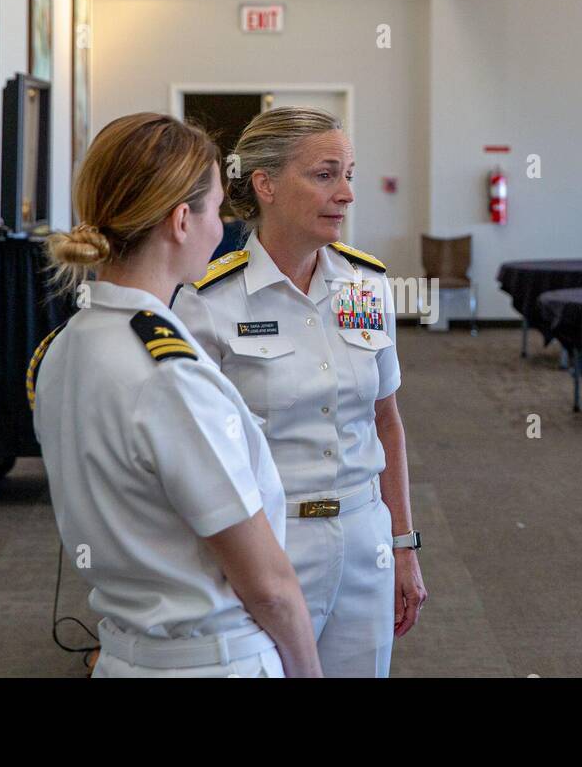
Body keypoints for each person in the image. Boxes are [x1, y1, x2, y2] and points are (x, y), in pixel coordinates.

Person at [30, 112, 321, 678]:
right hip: (213, 661)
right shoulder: (170, 375)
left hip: (125, 654)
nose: (224, 226)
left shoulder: (64, 347)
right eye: (216, 208)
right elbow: (269, 587)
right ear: (182, 220)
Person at [173, 107, 427, 678]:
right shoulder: (208, 302)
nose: (346, 193)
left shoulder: (367, 286)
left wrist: (403, 544)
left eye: (350, 174)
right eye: (324, 174)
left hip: (366, 539)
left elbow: (386, 421)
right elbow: (196, 453)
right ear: (264, 184)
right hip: (268, 542)